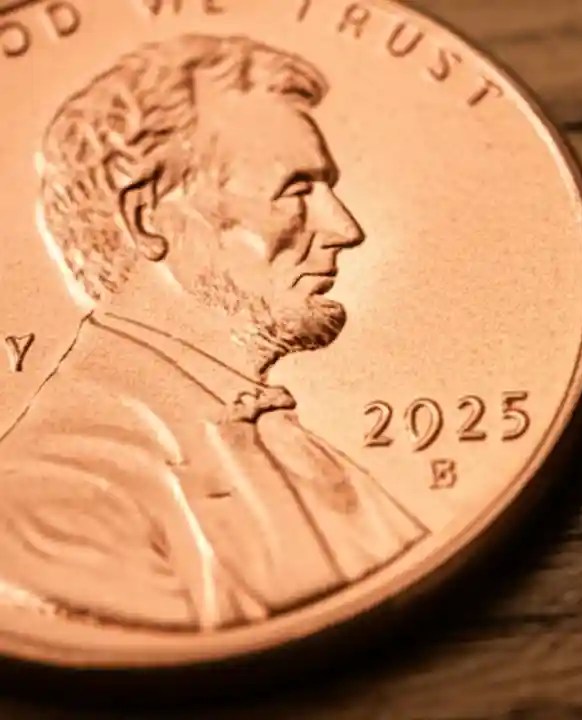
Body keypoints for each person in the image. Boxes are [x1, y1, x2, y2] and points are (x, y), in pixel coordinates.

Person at [0, 35, 427, 631]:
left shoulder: (282, 435)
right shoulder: (47, 502)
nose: (344, 229)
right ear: (146, 219)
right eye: (296, 190)